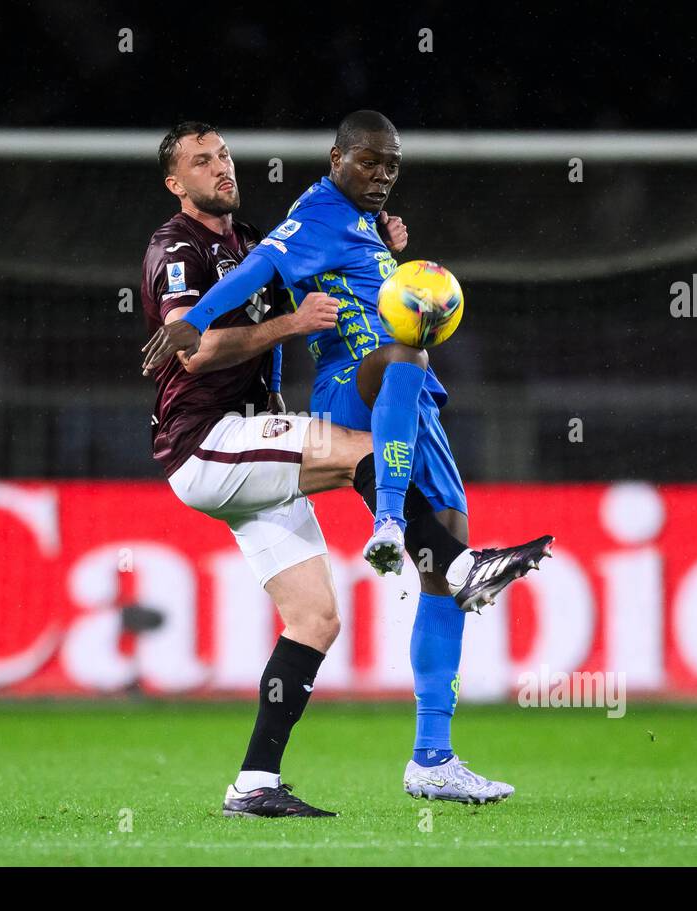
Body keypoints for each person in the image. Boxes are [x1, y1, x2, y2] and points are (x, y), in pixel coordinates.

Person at [141, 112, 553, 804]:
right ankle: (432, 550)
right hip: (208, 437)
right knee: (364, 449)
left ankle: (256, 782)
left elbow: (294, 265)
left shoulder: (248, 238)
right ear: (174, 180)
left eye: (225, 155)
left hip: (256, 439)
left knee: (315, 620)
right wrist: (272, 323)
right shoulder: (176, 247)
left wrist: (377, 249)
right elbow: (200, 345)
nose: (222, 168)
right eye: (202, 160)